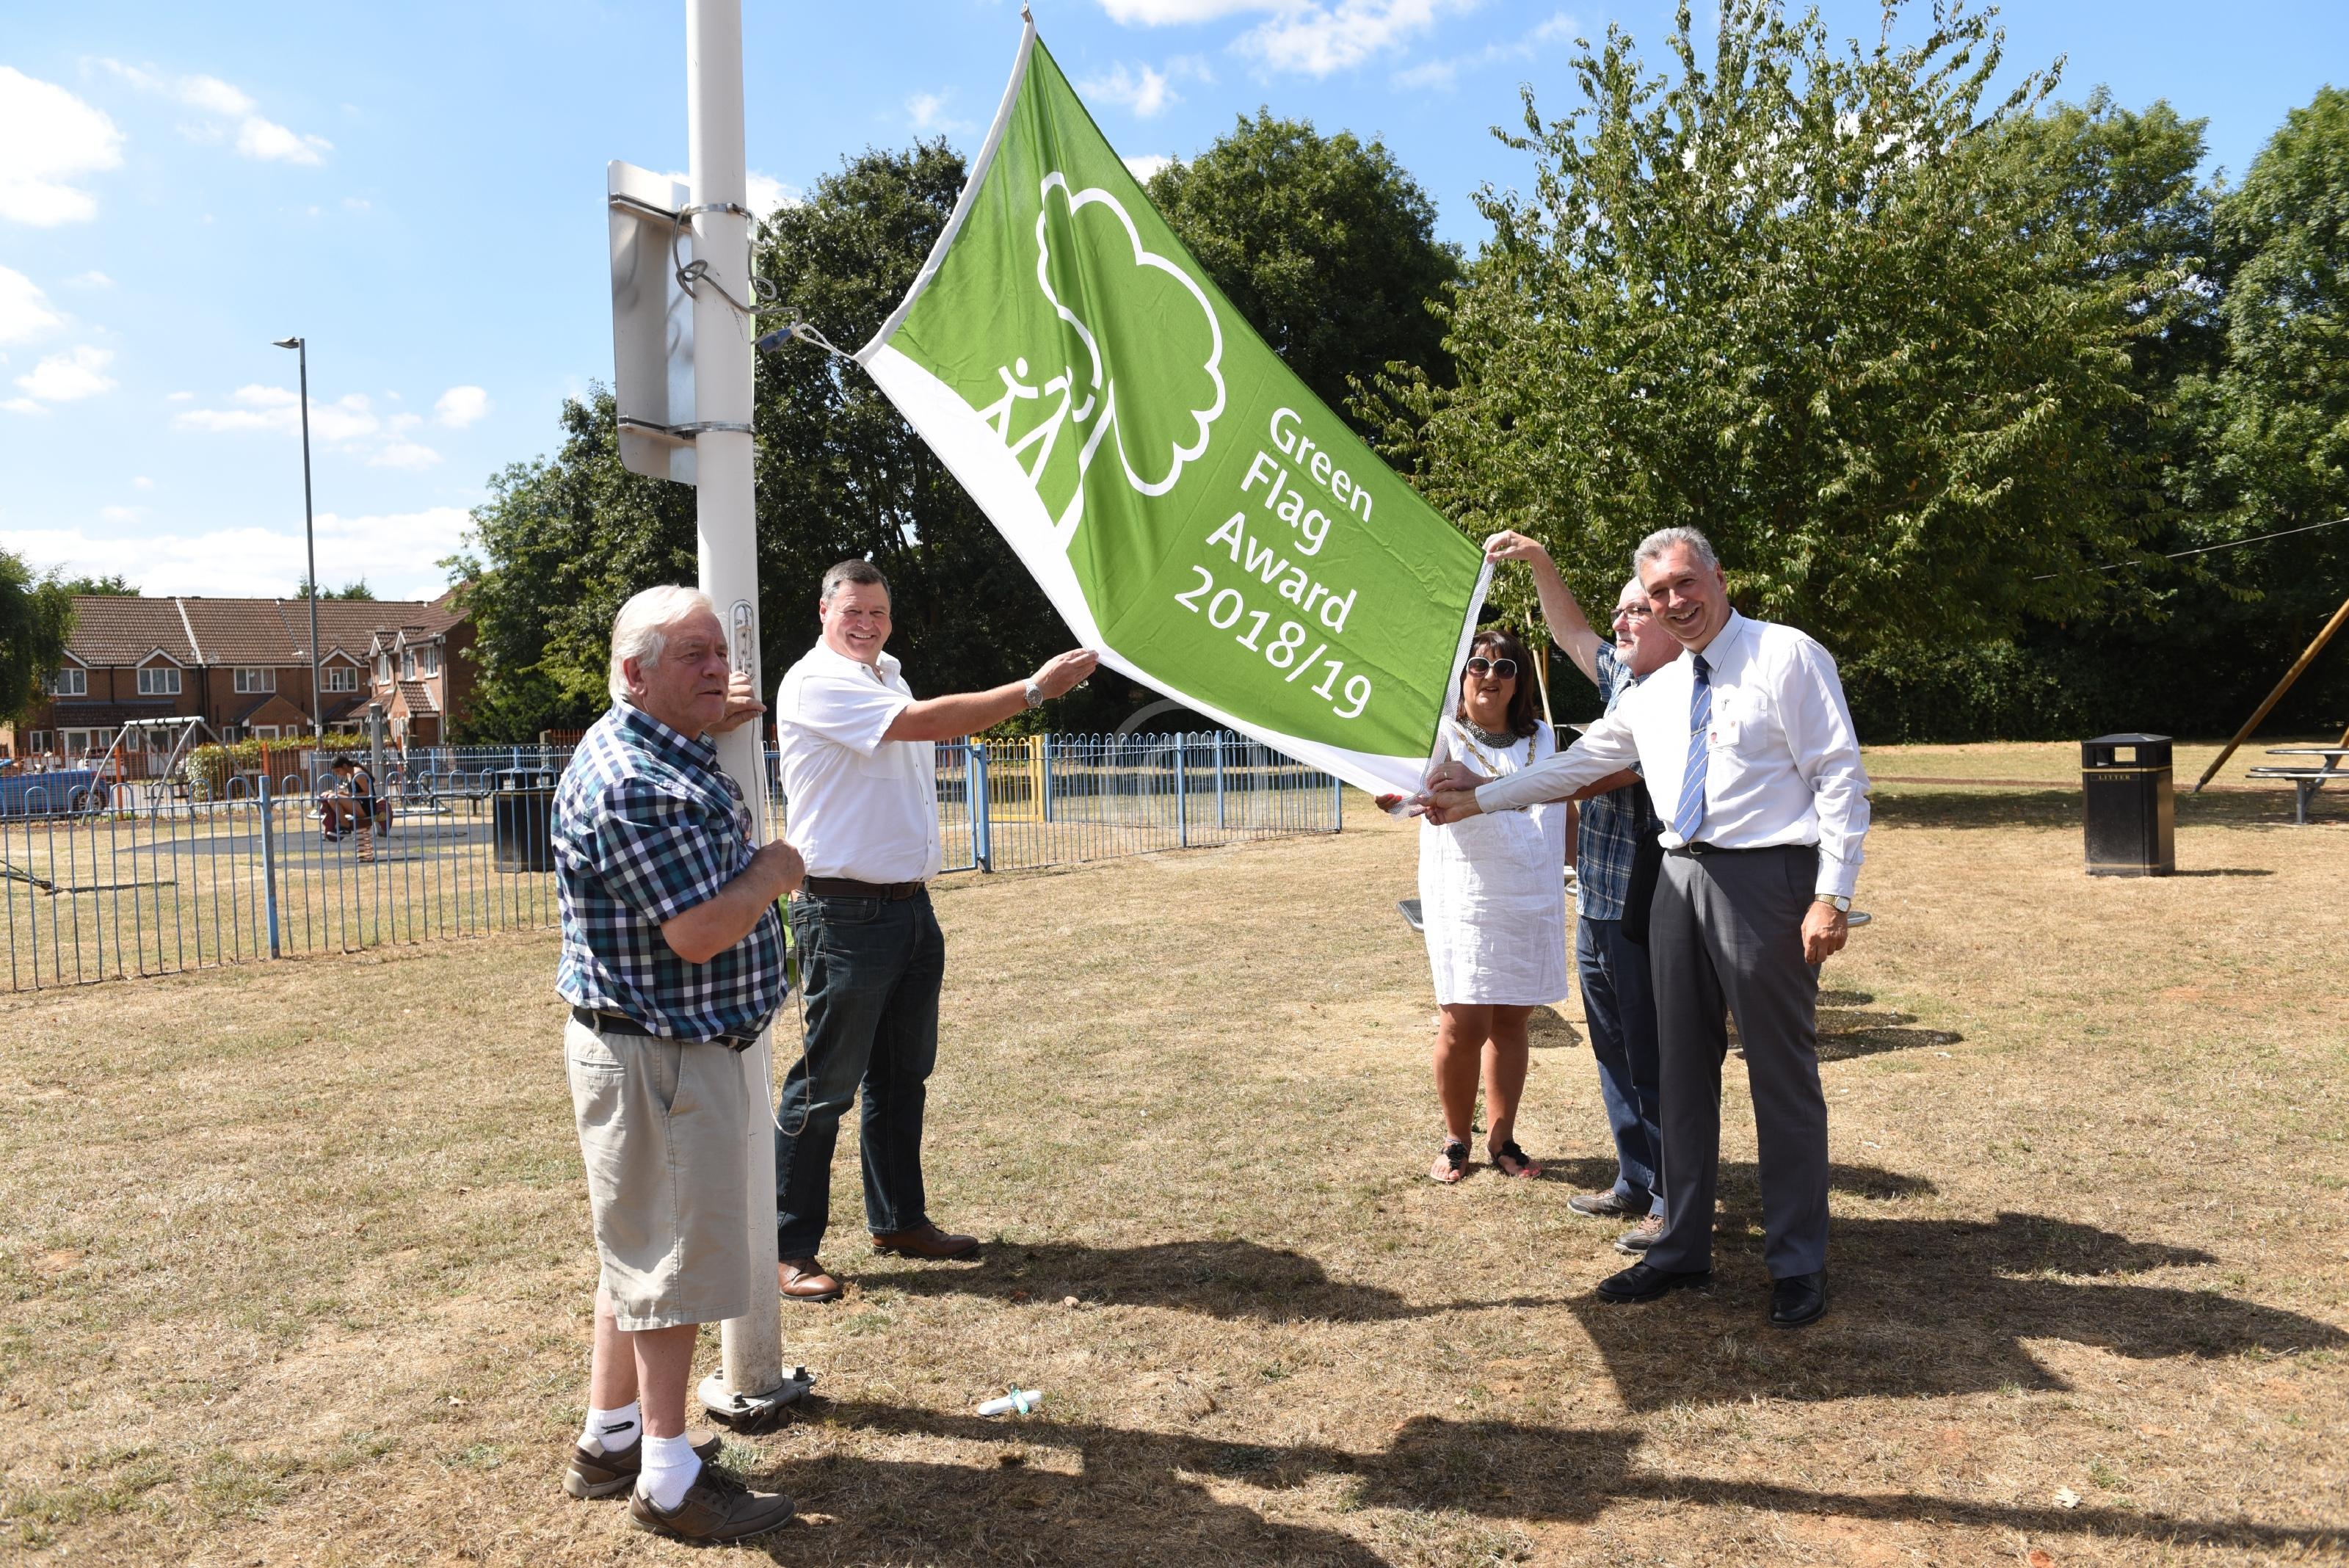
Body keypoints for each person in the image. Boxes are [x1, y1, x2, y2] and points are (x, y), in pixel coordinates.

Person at [1425, 526, 1870, 1329]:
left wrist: (1830, 895)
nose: (1673, 602)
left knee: (1780, 1076)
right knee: (1677, 1073)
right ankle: (1681, 1247)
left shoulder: (1785, 655)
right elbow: (1573, 766)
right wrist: (1476, 797)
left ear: (1718, 577)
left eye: (1683, 583)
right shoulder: (1653, 692)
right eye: (1657, 593)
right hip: (1676, 879)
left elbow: (1838, 775)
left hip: (1767, 880)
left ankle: (1797, 1262)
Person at [551, 585, 805, 1542]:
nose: (718, 670)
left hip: (660, 1049)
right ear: (634, 674)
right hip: (660, 1057)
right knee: (670, 1270)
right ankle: (667, 1478)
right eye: (694, 656)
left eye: (719, 653)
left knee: (638, 1252)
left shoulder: (656, 748)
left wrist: (708, 712)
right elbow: (698, 932)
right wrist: (775, 872)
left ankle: (610, 1439)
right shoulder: (632, 781)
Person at [771, 559, 1097, 1302]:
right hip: (844, 911)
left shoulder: (888, 674)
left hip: (909, 907)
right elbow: (925, 724)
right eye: (852, 611)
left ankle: (898, 1221)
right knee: (825, 1086)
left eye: (878, 613)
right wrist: (1034, 689)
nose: (867, 624)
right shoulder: (817, 681)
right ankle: (787, 1246)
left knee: (901, 1077)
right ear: (822, 612)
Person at [1484, 533, 1681, 1252]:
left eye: (1637, 611)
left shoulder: (1680, 691)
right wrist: (1539, 561)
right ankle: (1635, 1177)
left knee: (1653, 1057)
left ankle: (1670, 1198)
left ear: (1672, 621)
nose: (1620, 622)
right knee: (1612, 1049)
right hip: (1595, 898)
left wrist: (1491, 791)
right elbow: (1570, 631)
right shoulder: (1624, 676)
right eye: (1620, 610)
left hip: (1645, 908)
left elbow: (1593, 775)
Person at [1417, 625, 1569, 1183]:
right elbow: (1413, 793)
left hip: (1531, 894)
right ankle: (1456, 1138)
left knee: (1512, 1020)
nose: (1490, 676)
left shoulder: (1544, 737)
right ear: (1461, 677)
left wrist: (1582, 863)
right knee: (1464, 1022)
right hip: (1468, 895)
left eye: (1504, 667)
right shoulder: (1442, 735)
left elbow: (1560, 804)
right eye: (1478, 665)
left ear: (1519, 680)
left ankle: (1502, 1139)